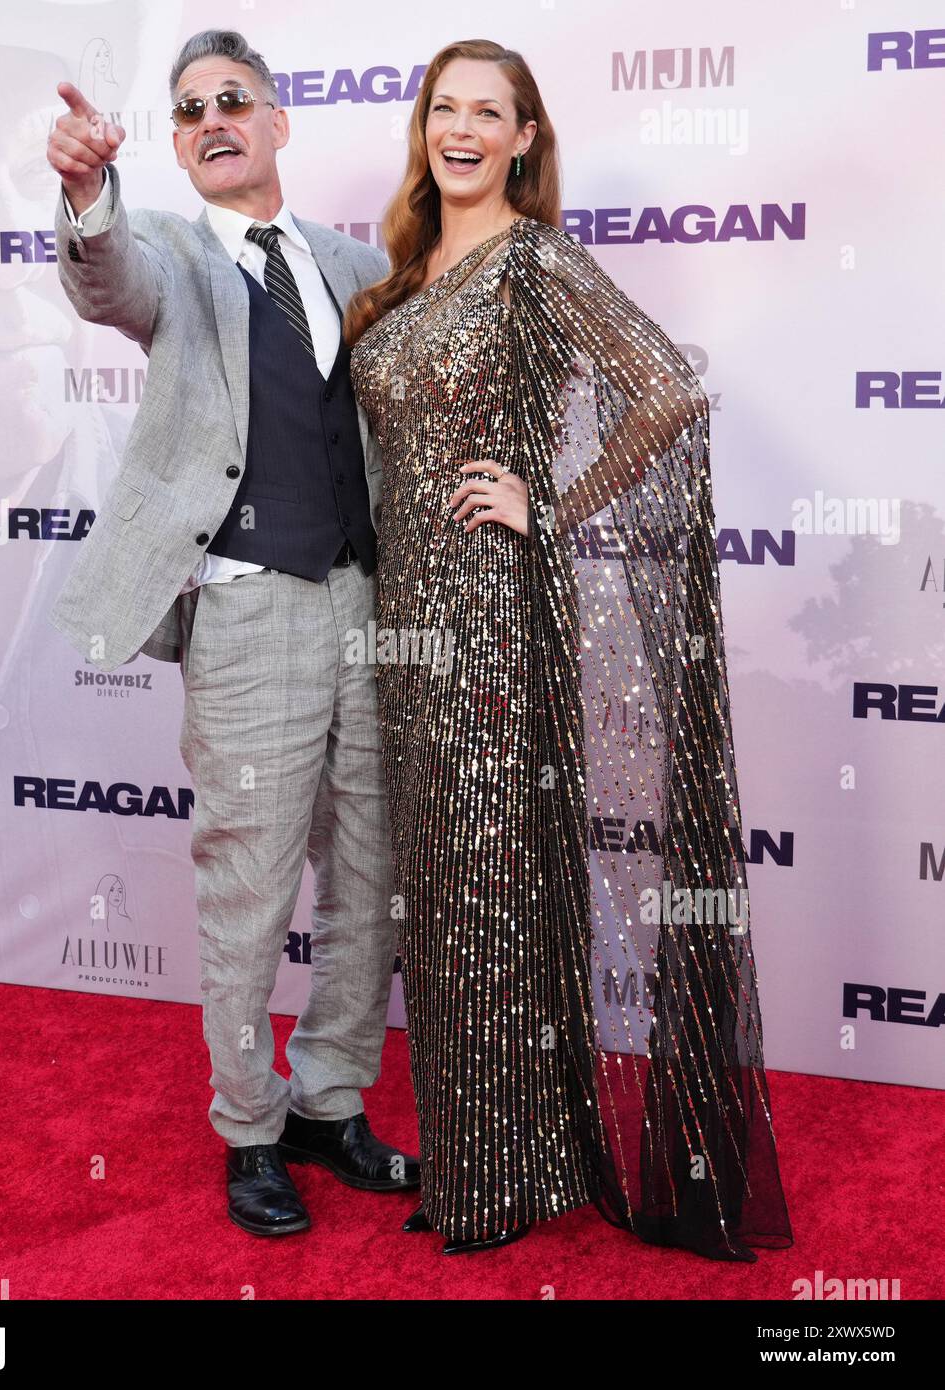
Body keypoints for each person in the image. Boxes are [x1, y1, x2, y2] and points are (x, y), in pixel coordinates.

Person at [347, 39, 794, 1259]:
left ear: (523, 138)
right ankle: (497, 1148)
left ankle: (496, 1177)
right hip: (408, 633)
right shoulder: (403, 274)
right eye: (444, 107)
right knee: (441, 897)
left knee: (492, 884)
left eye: (488, 113)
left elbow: (665, 393)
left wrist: (550, 502)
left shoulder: (532, 263)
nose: (462, 131)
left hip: (494, 619)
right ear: (423, 125)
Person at [45, 27, 419, 1237]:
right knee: (247, 888)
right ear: (176, 143)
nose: (213, 120)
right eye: (190, 109)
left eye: (234, 100)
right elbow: (106, 281)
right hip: (248, 607)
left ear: (277, 121)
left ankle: (328, 1100)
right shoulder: (164, 251)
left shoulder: (358, 263)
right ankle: (250, 1128)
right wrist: (87, 194)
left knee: (368, 876)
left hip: (369, 606)